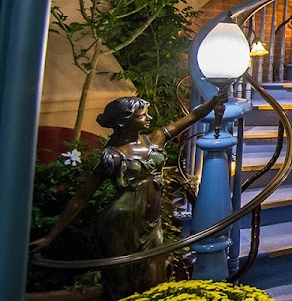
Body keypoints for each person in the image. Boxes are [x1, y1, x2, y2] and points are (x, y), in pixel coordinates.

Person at [30, 91, 227, 300]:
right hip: (119, 225)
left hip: (151, 225)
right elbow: (82, 197)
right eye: (142, 115)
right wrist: (50, 237)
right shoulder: (113, 156)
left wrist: (213, 102)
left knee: (156, 282)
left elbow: (191, 117)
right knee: (121, 287)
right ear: (123, 122)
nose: (149, 118)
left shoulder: (155, 140)